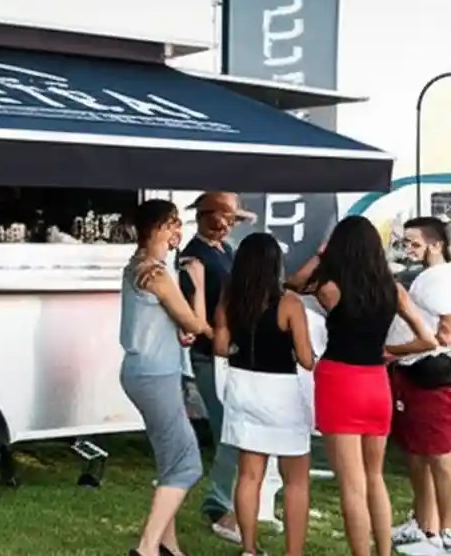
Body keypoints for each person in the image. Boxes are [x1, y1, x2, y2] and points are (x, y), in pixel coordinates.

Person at [289, 215, 437, 556]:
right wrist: (391, 352)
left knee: (351, 485)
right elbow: (428, 340)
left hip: (340, 381)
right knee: (375, 478)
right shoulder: (392, 289)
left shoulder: (329, 288)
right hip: (376, 383)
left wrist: (322, 254)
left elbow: (293, 285)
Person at [213, 232, 315, 556]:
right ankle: (293, 553)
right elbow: (306, 359)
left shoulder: (230, 299)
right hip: (281, 393)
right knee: (296, 480)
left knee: (249, 474)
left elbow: (219, 346)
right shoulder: (289, 303)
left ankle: (248, 549)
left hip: (243, 386)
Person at [120, 199, 213, 556]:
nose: (180, 230)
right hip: (154, 375)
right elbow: (195, 323)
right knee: (187, 462)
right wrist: (199, 285)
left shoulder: (140, 266)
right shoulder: (156, 274)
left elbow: (177, 324)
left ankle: (168, 546)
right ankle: (146, 549)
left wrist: (182, 328)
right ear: (157, 228)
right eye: (173, 223)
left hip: (145, 371)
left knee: (169, 461)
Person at [178, 191, 255, 542]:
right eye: (223, 218)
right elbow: (195, 316)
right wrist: (222, 341)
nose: (228, 226)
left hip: (229, 351)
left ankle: (230, 503)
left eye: (233, 220)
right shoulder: (194, 257)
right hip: (211, 354)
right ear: (204, 216)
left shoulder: (226, 251)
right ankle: (220, 506)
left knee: (235, 427)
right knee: (228, 430)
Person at [389, 217, 451, 552]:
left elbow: (443, 336)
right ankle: (424, 524)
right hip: (412, 372)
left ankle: (447, 530)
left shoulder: (441, 278)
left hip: (432, 373)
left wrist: (392, 351)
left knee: (440, 454)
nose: (408, 249)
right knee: (417, 451)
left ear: (435, 244)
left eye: (414, 243)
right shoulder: (426, 277)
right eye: (405, 242)